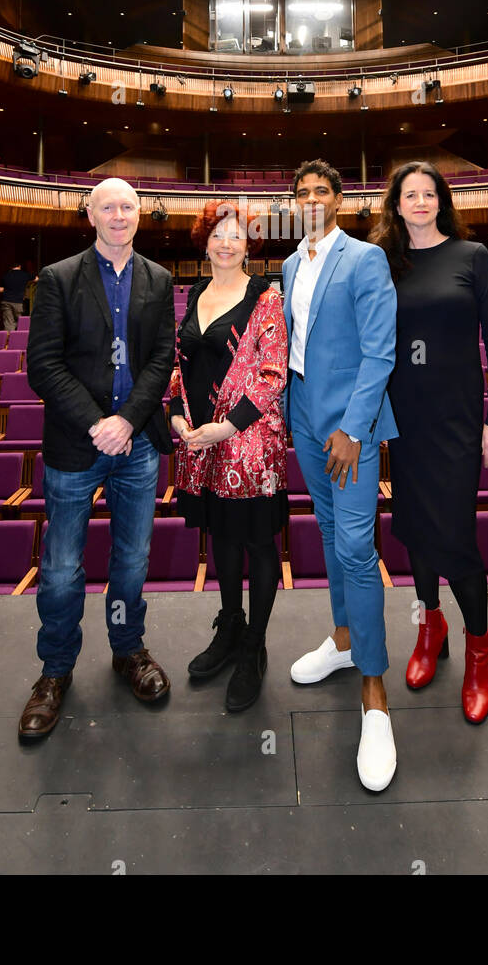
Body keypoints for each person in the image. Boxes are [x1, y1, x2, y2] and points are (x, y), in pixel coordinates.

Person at [21, 178, 175, 741]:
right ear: (90, 214)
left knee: (132, 561)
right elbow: (43, 366)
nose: (118, 215)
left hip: (135, 446)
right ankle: (54, 671)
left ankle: (127, 650)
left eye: (127, 207)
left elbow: (160, 360)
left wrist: (127, 421)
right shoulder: (58, 278)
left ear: (140, 215)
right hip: (74, 445)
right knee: (62, 567)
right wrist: (96, 423)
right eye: (107, 206)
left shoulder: (158, 280)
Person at [370, 161, 488, 724]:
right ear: (396, 205)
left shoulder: (472, 258)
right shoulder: (385, 262)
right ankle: (430, 625)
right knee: (414, 530)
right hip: (405, 419)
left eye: (430, 194)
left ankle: (480, 651)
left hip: (455, 421)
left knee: (455, 536)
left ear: (441, 201)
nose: (421, 202)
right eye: (411, 195)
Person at [283, 160, 399, 792]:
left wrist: (354, 429)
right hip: (303, 419)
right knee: (329, 536)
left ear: (340, 199)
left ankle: (374, 696)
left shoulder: (365, 259)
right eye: (301, 193)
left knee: (356, 548)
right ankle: (344, 639)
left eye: (321, 190)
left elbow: (380, 351)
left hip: (348, 430)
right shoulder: (289, 265)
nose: (311, 199)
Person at [168, 200, 288, 712]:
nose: (225, 242)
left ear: (248, 244)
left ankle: (254, 647)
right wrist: (175, 413)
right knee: (221, 538)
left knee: (258, 544)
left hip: (248, 444)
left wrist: (226, 426)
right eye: (216, 234)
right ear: (205, 240)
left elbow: (272, 374)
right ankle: (230, 627)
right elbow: (178, 363)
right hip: (202, 446)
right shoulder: (195, 292)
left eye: (235, 235)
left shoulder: (265, 297)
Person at [0, 261, 29, 331]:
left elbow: (0, 290)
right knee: (20, 321)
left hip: (6, 301)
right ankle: (20, 338)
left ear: (11, 267)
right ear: (19, 266)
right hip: (18, 301)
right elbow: (37, 279)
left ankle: (9, 339)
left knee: (8, 322)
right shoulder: (24, 275)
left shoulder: (6, 275)